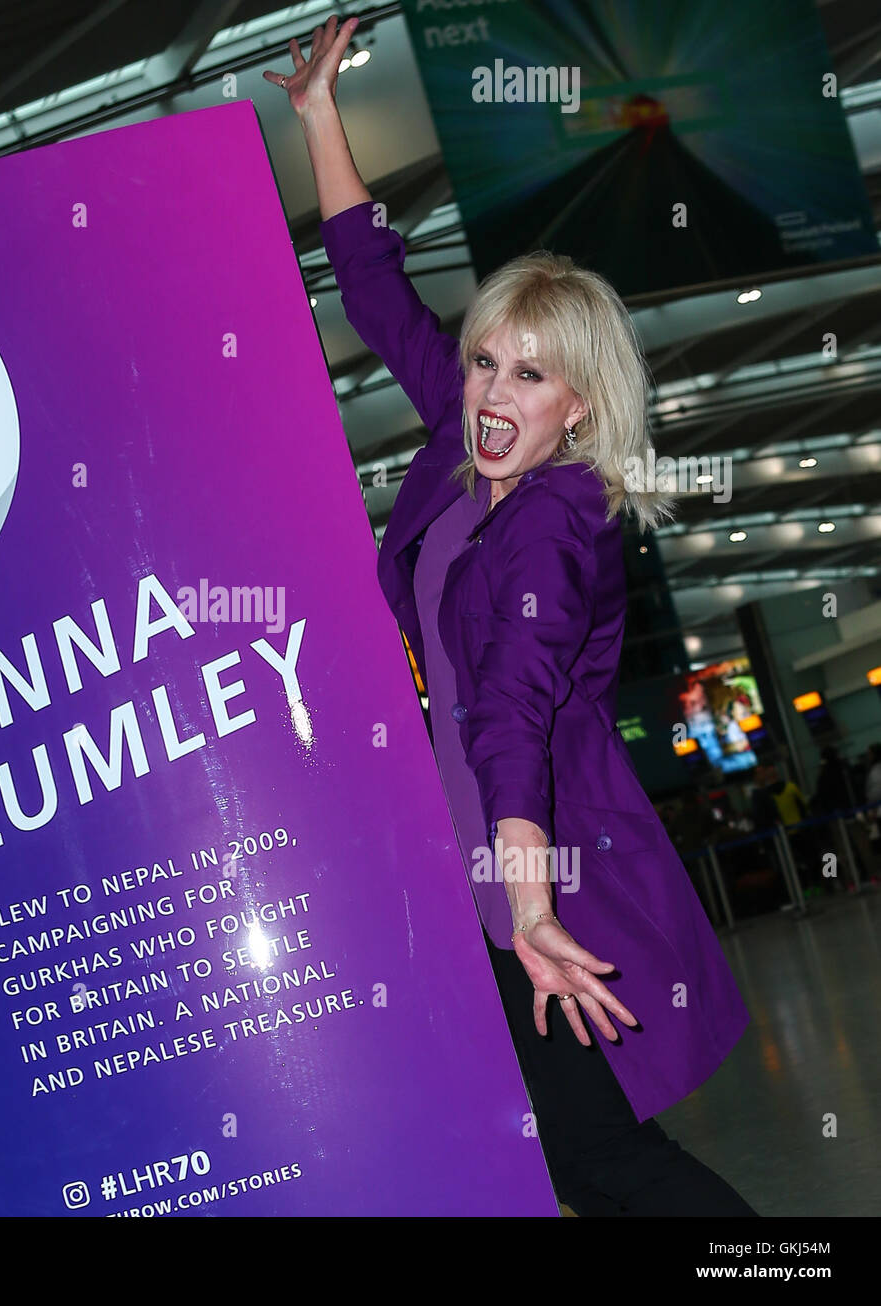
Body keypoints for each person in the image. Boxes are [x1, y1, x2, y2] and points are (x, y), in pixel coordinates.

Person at [269, 15, 755, 1216]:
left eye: (529, 375)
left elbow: (514, 708)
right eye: (487, 360)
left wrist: (527, 901)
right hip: (457, 869)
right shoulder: (461, 450)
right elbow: (380, 296)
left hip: (533, 869)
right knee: (553, 1156)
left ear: (578, 407)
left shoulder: (554, 517)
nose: (492, 389)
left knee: (596, 1158)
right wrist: (322, 118)